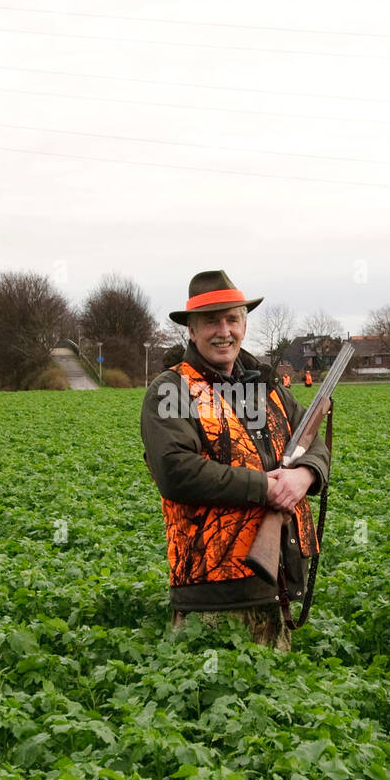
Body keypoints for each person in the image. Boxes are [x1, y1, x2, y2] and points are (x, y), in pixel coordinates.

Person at [141, 270, 330, 652]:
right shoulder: (172, 389)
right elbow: (177, 471)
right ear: (191, 331)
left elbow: (314, 443)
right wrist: (266, 488)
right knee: (206, 702)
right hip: (211, 595)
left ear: (244, 324)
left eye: (233, 319)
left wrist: (305, 476)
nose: (223, 330)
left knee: (274, 704)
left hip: (276, 585)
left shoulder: (266, 385)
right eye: (211, 321)